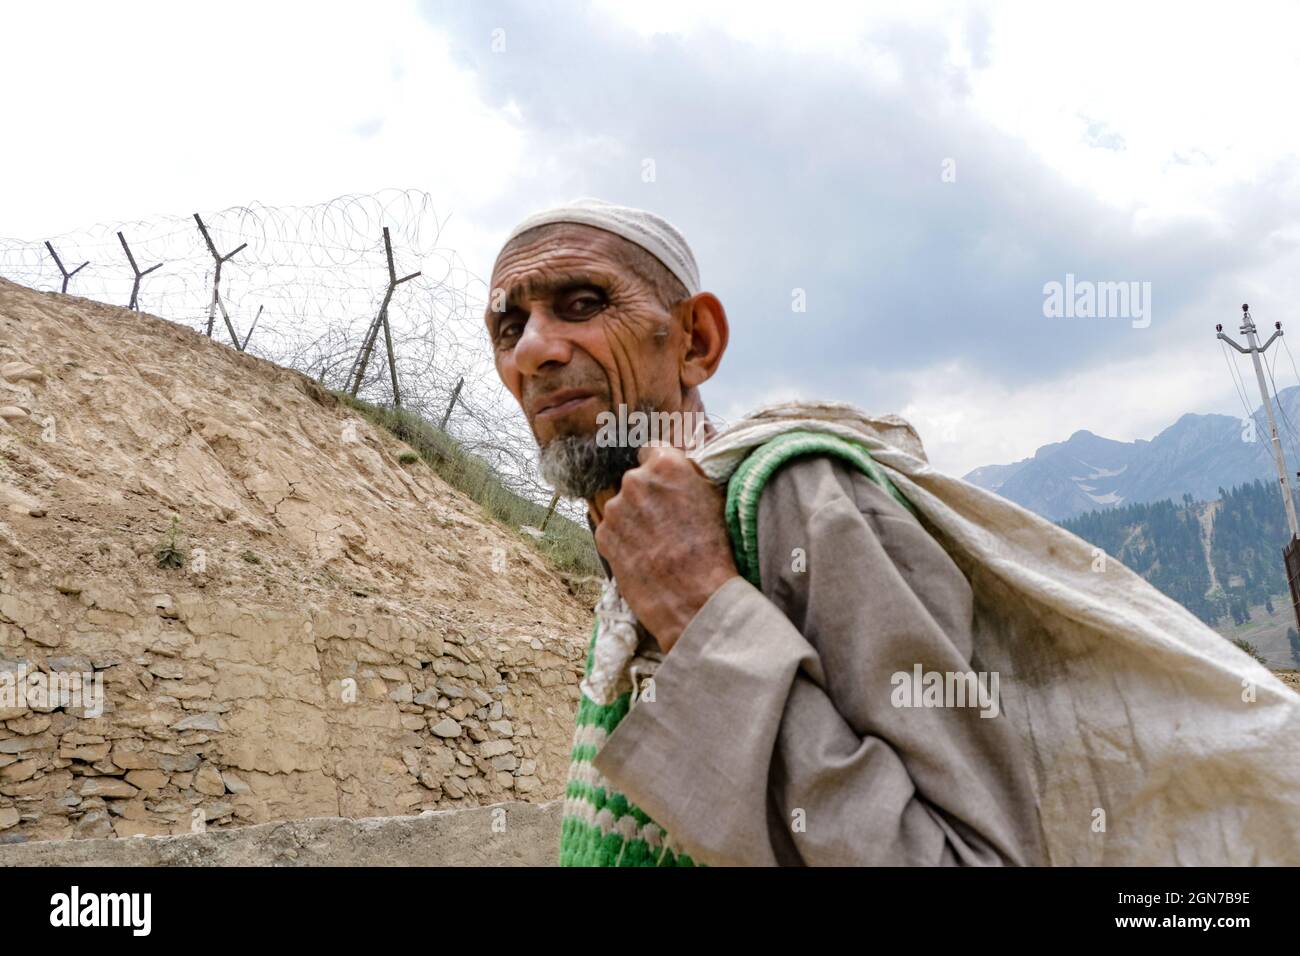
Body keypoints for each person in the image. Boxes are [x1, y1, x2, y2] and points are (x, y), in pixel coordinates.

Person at [485, 199, 1044, 866]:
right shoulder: (629, 546)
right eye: (509, 327)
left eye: (580, 303)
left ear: (696, 342)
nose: (533, 351)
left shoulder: (801, 504)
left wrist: (701, 613)